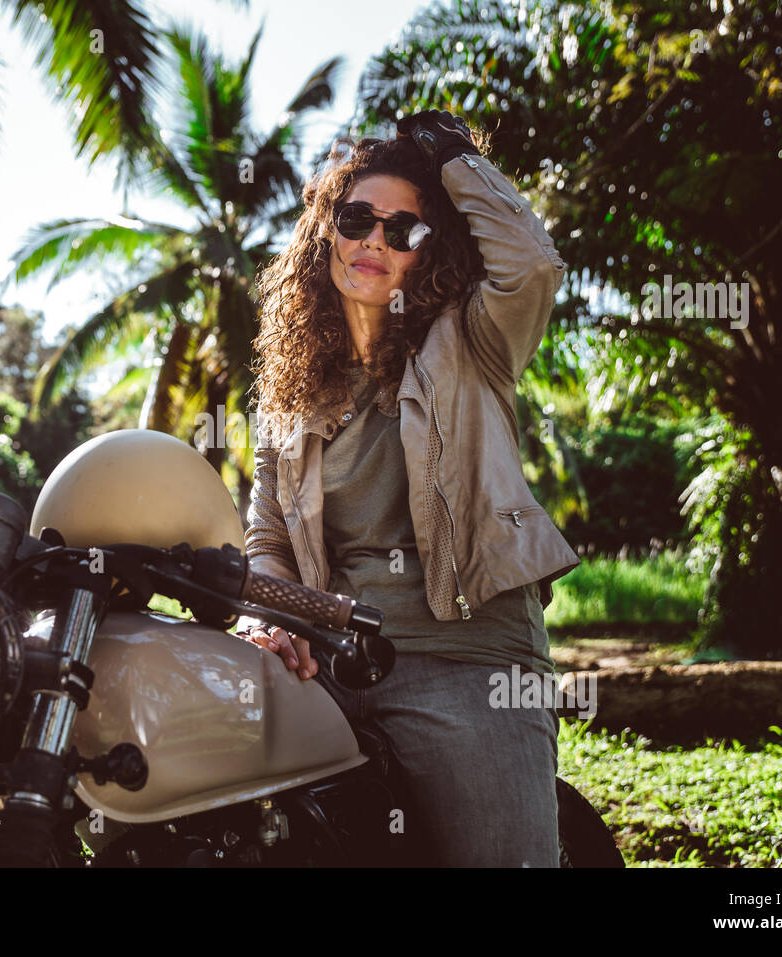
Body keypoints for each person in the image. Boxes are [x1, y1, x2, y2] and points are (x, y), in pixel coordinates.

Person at [236, 110, 581, 866]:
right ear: (329, 228)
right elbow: (266, 542)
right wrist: (275, 622)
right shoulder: (289, 390)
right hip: (325, 664)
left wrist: (455, 158)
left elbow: (531, 268)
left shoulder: (473, 341)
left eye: (405, 231)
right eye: (358, 219)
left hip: (467, 665)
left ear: (430, 255)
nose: (375, 242)